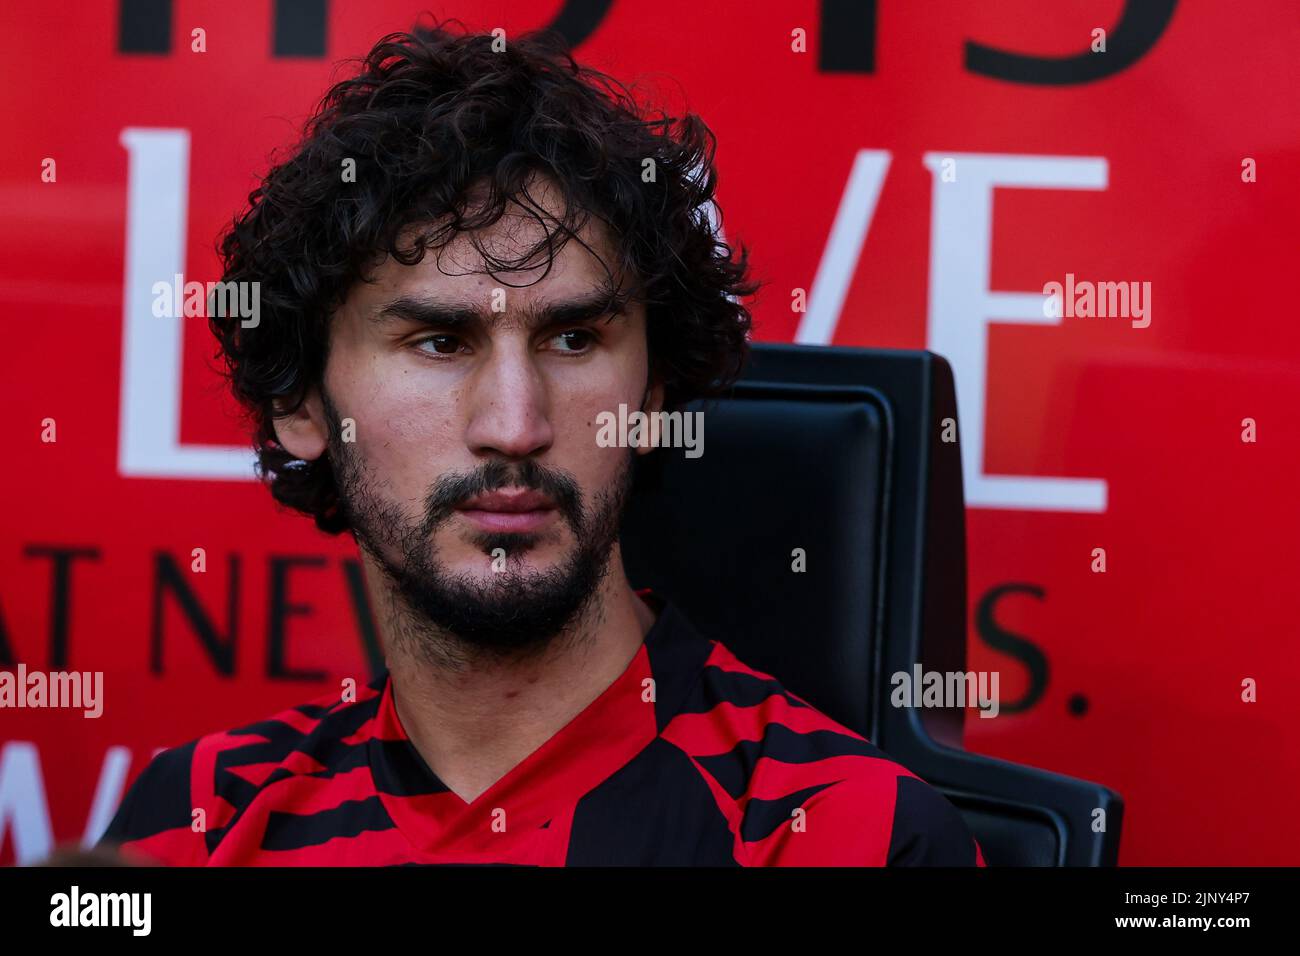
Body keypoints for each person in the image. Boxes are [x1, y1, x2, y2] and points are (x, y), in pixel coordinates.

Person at [100, 22, 984, 866]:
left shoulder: (847, 837)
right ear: (302, 402)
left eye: (573, 339)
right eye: (440, 343)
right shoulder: (199, 821)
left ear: (653, 390)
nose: (516, 426)